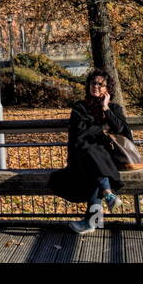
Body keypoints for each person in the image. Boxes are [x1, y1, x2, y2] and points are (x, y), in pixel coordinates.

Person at [48, 68, 133, 234]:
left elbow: (123, 131)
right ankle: (107, 195)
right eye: (93, 83)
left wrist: (106, 108)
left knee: (93, 162)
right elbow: (79, 134)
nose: (96, 86)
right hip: (82, 158)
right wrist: (102, 128)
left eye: (101, 84)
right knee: (89, 154)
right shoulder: (80, 107)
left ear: (107, 88)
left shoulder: (114, 108)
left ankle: (91, 220)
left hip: (108, 159)